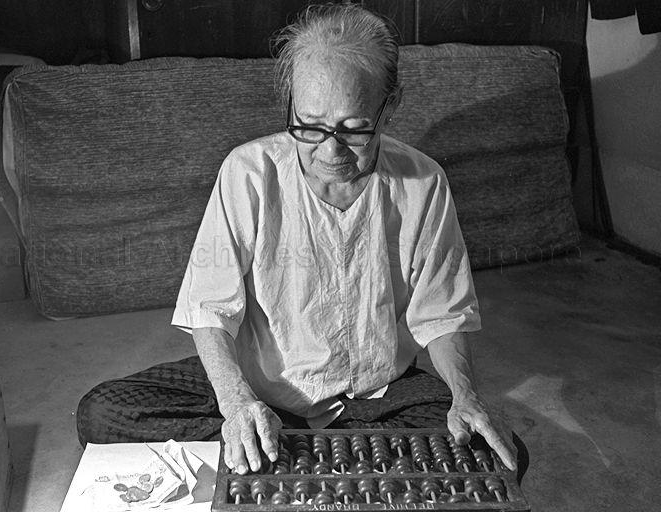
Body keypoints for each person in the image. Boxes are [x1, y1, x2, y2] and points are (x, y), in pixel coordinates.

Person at [77, 3, 526, 480]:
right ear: (289, 102)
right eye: (309, 126)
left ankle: (296, 463)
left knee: (497, 455)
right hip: (263, 384)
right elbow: (209, 309)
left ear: (388, 108)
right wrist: (236, 403)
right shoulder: (249, 172)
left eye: (353, 129)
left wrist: (464, 396)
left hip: (375, 396)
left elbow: (442, 313)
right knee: (103, 413)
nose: (329, 150)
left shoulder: (423, 182)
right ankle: (326, 459)